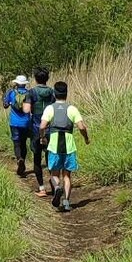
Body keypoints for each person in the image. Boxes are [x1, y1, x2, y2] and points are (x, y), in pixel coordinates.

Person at [40, 79, 90, 211]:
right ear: (66, 94)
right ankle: (67, 202)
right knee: (67, 175)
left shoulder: (50, 108)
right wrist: (86, 138)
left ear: (54, 94)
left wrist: (42, 137)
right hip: (69, 145)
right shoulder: (72, 109)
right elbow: (81, 127)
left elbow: (42, 126)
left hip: (54, 144)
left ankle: (56, 188)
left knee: (54, 174)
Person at [29, 65, 56, 195]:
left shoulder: (32, 92)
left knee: (37, 159)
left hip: (36, 128)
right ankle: (55, 184)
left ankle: (41, 188)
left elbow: (27, 110)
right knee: (50, 158)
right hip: (51, 129)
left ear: (35, 78)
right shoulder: (52, 92)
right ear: (47, 78)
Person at [2, 73, 35, 177]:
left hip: (14, 122)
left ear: (16, 83)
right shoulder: (29, 93)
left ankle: (19, 159)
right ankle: (23, 160)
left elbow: (5, 105)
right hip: (26, 122)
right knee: (23, 142)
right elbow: (32, 108)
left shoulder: (11, 93)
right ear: (25, 84)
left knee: (16, 143)